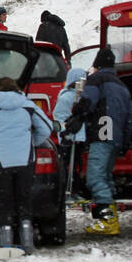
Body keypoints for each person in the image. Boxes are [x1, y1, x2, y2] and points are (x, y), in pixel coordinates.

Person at [0, 76, 53, 252]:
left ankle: (6, 242)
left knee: (4, 199)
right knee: (24, 198)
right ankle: (27, 242)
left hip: (1, 160)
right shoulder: (27, 105)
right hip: (25, 159)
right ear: (16, 89)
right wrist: (31, 142)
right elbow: (46, 128)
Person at [65, 46, 132, 236]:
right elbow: (131, 116)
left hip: (102, 134)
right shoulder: (121, 86)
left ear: (97, 65)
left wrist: (77, 115)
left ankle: (107, 219)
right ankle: (109, 214)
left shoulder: (96, 80)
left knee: (95, 177)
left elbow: (87, 101)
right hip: (117, 138)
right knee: (105, 177)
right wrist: (126, 142)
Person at [53, 66, 89, 201]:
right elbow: (59, 117)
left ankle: (74, 190)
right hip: (69, 138)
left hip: (78, 137)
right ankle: (67, 191)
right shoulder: (66, 97)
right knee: (68, 166)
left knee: (76, 166)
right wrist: (64, 132)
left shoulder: (80, 96)